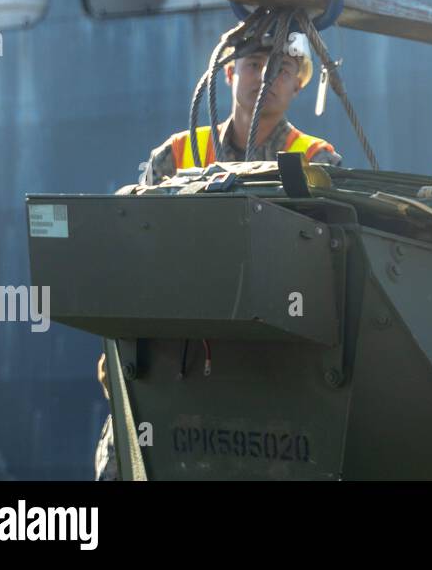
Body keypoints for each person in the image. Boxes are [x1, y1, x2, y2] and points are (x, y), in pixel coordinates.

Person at [94, 26, 344, 480]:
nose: (266, 77)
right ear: (229, 74)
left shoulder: (318, 161)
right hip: (179, 354)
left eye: (281, 68)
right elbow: (131, 245)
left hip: (274, 358)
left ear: (299, 84)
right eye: (253, 65)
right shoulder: (178, 153)